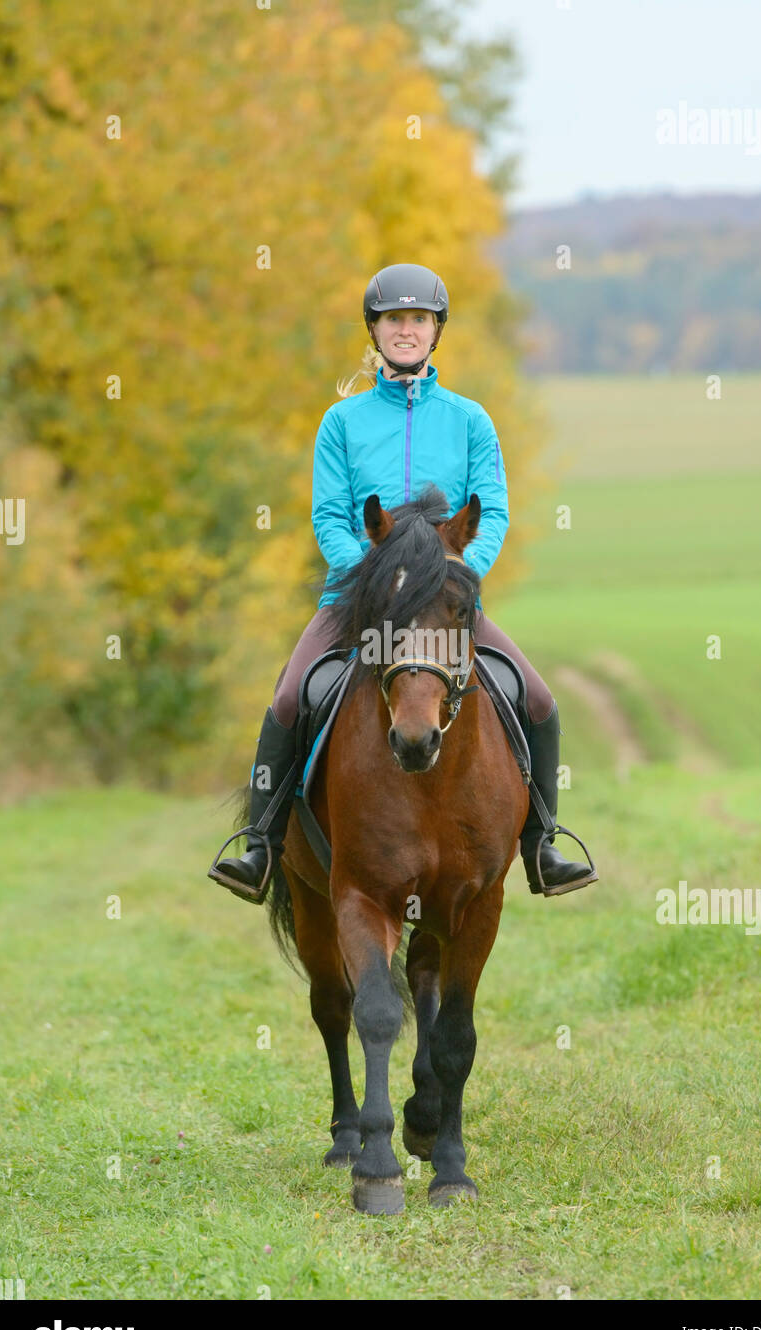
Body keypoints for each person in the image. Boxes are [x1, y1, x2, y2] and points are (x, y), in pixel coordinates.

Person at [210, 263, 597, 903]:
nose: (407, 330)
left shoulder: (471, 420)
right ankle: (259, 845)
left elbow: (492, 510)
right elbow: (330, 517)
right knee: (286, 703)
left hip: (443, 604)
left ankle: (542, 845)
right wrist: (372, 577)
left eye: (419, 319)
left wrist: (456, 576)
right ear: (376, 330)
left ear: (436, 331)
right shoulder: (342, 423)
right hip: (356, 600)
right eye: (395, 320)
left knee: (538, 700)